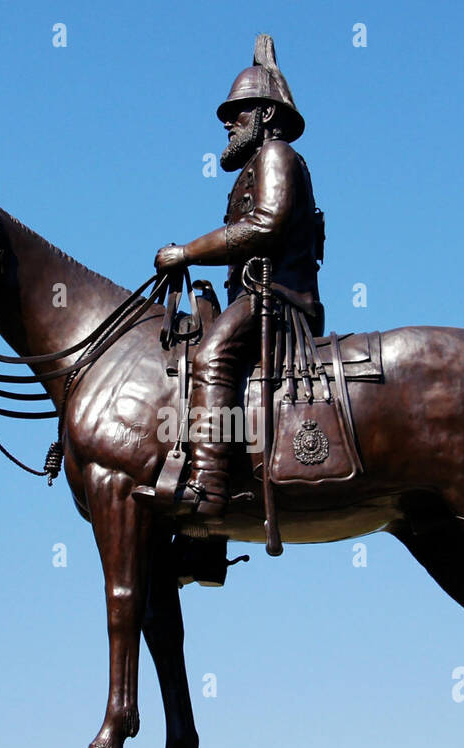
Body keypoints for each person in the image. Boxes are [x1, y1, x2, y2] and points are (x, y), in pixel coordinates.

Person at [134, 34, 324, 518]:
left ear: (266, 116)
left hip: (275, 301)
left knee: (213, 355)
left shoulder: (277, 157)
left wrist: (187, 253)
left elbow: (265, 226)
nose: (226, 120)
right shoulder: (253, 167)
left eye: (238, 110)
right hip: (251, 297)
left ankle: (209, 489)